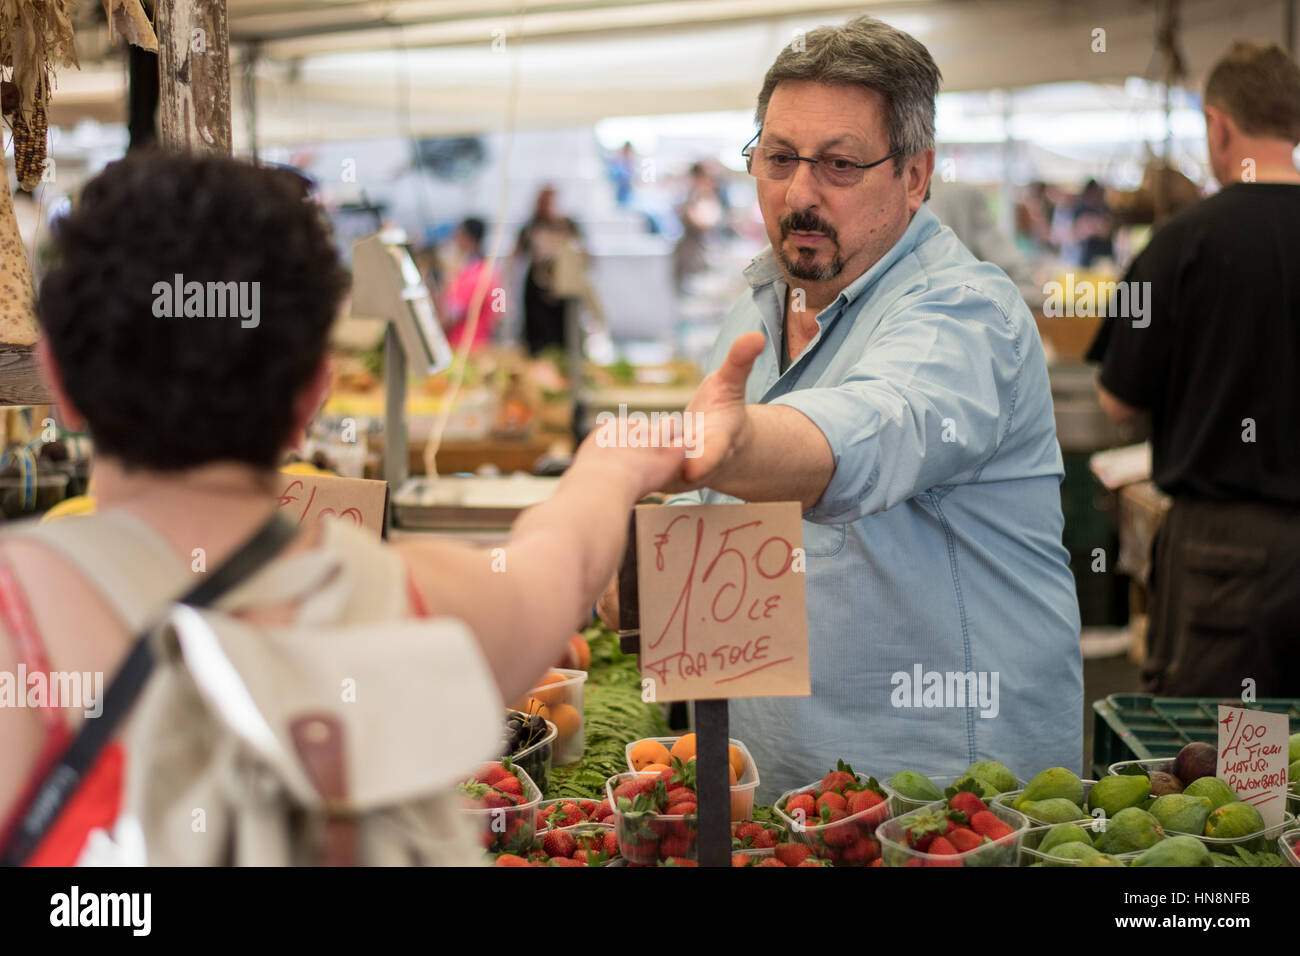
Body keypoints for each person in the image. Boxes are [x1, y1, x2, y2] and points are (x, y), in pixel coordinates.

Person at [0, 152, 683, 863]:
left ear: (60, 386)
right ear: (314, 391)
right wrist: (618, 459)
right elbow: (567, 560)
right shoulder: (415, 605)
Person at [600, 15, 1081, 802]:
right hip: (777, 793)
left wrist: (738, 444)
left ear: (916, 177)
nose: (799, 193)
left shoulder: (964, 314)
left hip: (942, 807)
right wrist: (631, 562)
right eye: (778, 158)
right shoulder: (759, 304)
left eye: (840, 164)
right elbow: (728, 508)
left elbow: (877, 429)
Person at [1087, 40, 1300, 697]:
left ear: (1218, 124)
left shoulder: (1179, 243)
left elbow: (1118, 401)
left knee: (1232, 768)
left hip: (1224, 556)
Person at [515, 186, 583, 356]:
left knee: (565, 332)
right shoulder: (531, 226)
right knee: (538, 335)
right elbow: (517, 255)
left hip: (563, 287)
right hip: (537, 290)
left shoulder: (568, 225)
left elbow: (581, 253)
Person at [438, 216, 504, 351]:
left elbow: (449, 317)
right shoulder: (488, 270)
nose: (455, 238)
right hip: (479, 344)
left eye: (459, 233)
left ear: (469, 238)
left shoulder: (475, 276)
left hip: (466, 348)